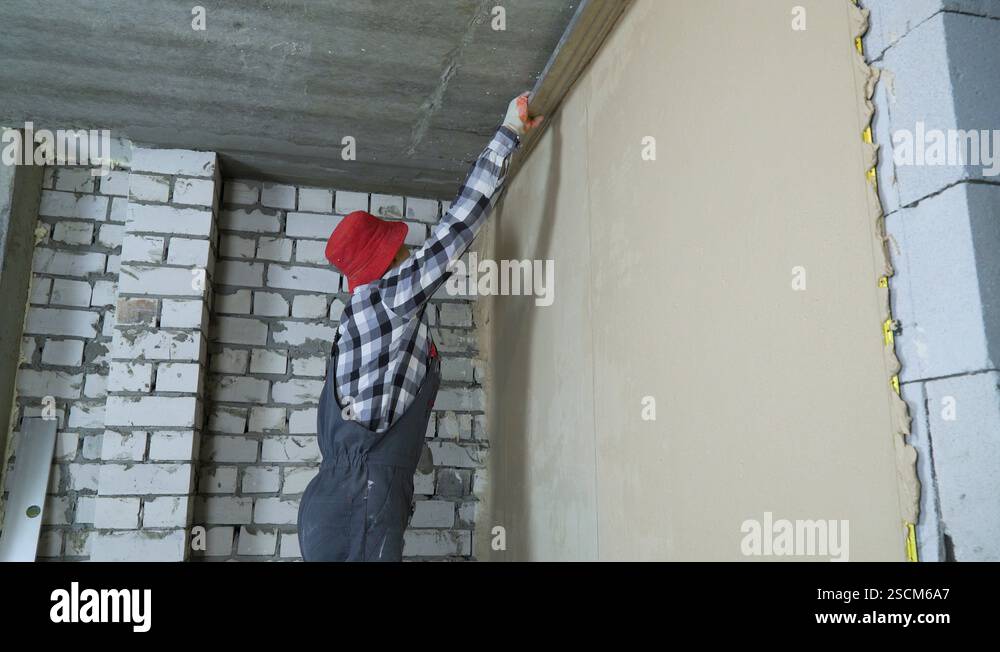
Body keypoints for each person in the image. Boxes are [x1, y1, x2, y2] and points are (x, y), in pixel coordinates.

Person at [296, 92, 544, 561]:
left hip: (339, 499)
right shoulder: (389, 298)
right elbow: (454, 231)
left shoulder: (359, 314)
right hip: (359, 500)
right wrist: (508, 132)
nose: (407, 248)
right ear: (386, 259)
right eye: (398, 245)